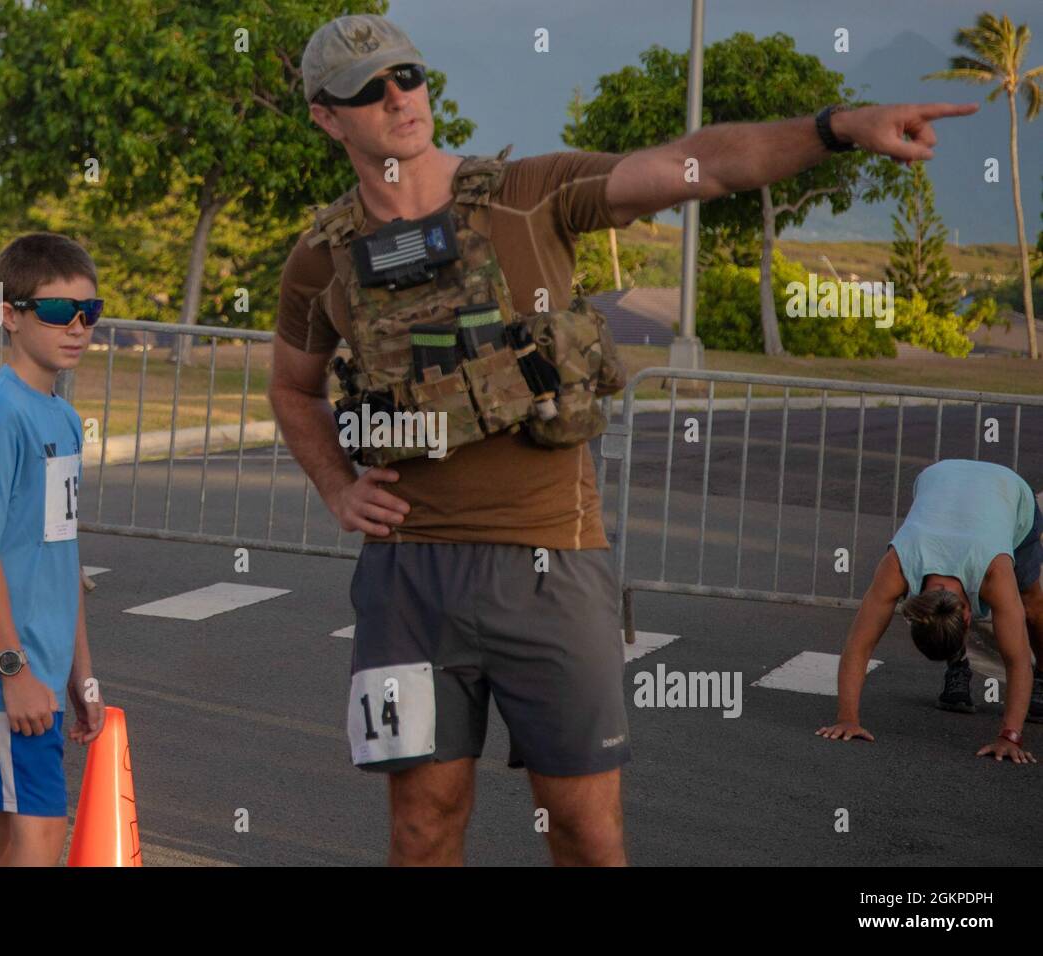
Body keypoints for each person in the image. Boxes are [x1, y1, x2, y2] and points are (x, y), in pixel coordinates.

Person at [268, 13, 978, 865]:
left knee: (586, 830)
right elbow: (290, 385)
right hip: (407, 582)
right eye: (366, 90)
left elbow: (698, 166)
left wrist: (837, 129)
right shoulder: (322, 257)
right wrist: (336, 486)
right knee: (420, 828)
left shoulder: (528, 192)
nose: (398, 99)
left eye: (407, 76)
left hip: (550, 567)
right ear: (325, 116)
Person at [0, 233, 104, 866]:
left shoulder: (61, 418)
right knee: (38, 829)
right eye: (59, 312)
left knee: (8, 834)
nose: (78, 327)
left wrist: (79, 674)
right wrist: (15, 672)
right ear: (10, 315)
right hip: (4, 675)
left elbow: (63, 559)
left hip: (39, 668)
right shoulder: (1, 413)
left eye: (89, 312)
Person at [817, 459, 1043, 764]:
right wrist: (847, 718)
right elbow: (859, 646)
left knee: (1032, 608)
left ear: (967, 618)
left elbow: (1017, 661)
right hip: (940, 479)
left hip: (1007, 490)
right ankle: (958, 667)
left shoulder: (995, 571)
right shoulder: (898, 564)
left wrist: (1009, 736)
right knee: (947, 622)